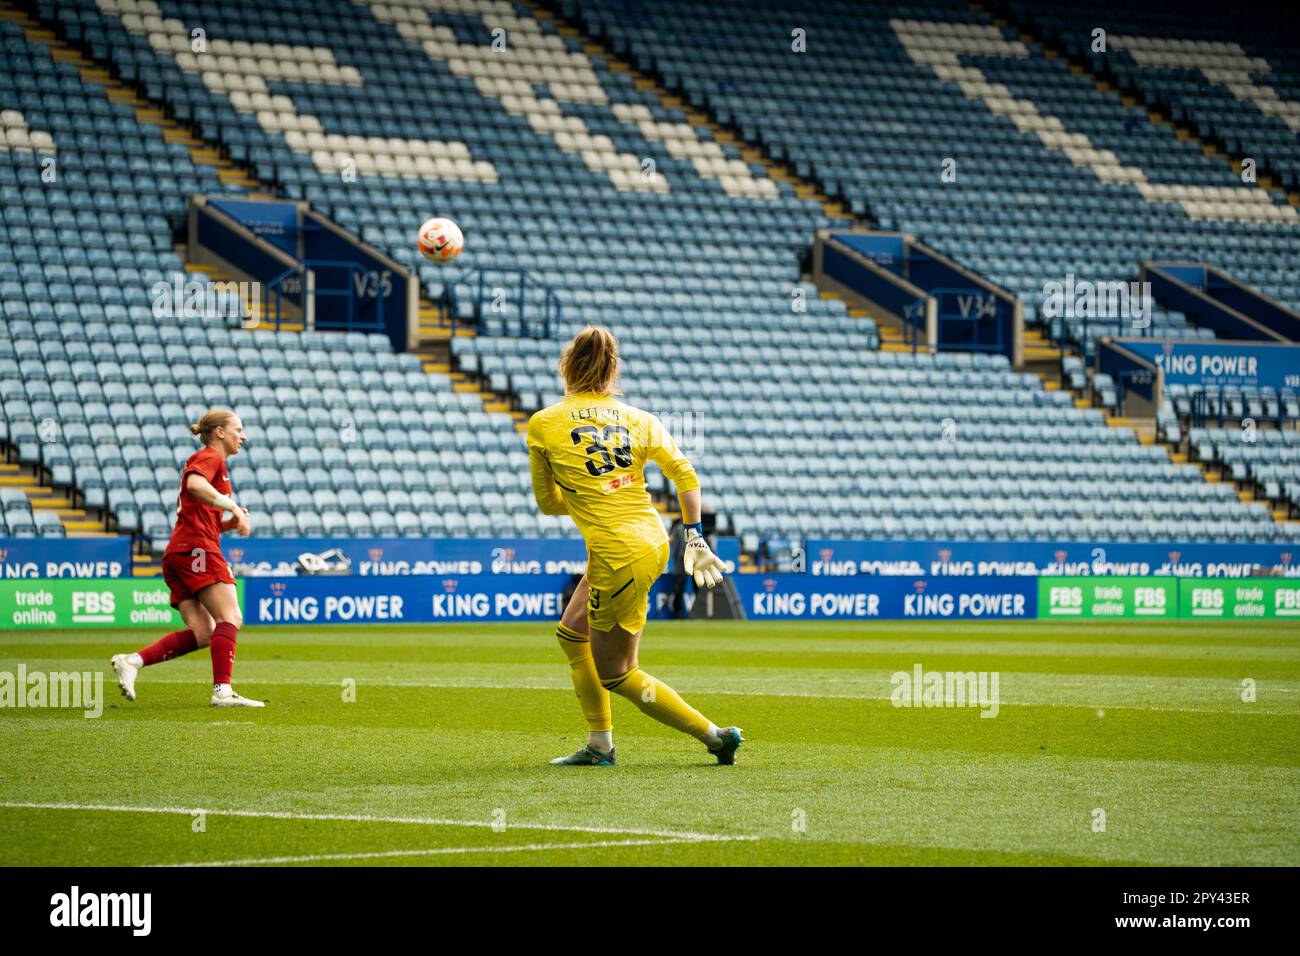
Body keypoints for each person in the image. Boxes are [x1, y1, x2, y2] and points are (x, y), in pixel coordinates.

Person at [527, 325, 741, 765]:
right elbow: (684, 474)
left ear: (566, 366)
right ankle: (599, 744)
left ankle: (716, 736)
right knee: (572, 634)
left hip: (616, 552)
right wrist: (694, 534)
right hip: (654, 538)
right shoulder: (641, 419)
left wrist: (592, 495)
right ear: (612, 371)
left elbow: (548, 503)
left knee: (618, 673)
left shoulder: (543, 423)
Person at [110, 409, 263, 708]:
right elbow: (194, 484)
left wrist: (230, 522)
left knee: (205, 632)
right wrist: (232, 505)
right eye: (238, 429)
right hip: (197, 548)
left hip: (181, 551)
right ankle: (222, 691)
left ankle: (132, 661)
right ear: (219, 432)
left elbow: (203, 515)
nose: (243, 436)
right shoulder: (210, 457)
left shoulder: (217, 466)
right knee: (230, 617)